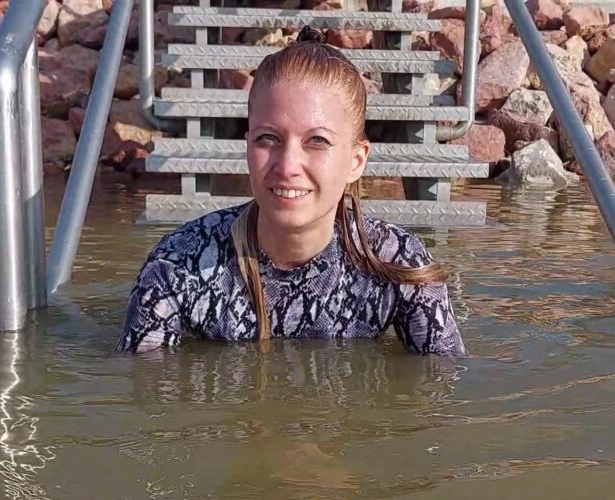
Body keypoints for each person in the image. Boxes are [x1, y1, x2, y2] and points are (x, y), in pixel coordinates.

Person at [118, 26, 466, 357]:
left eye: (317, 141)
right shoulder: (179, 265)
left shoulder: (398, 264)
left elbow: (440, 396)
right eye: (268, 138)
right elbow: (146, 394)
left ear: (356, 161)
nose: (287, 166)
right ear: (247, 146)